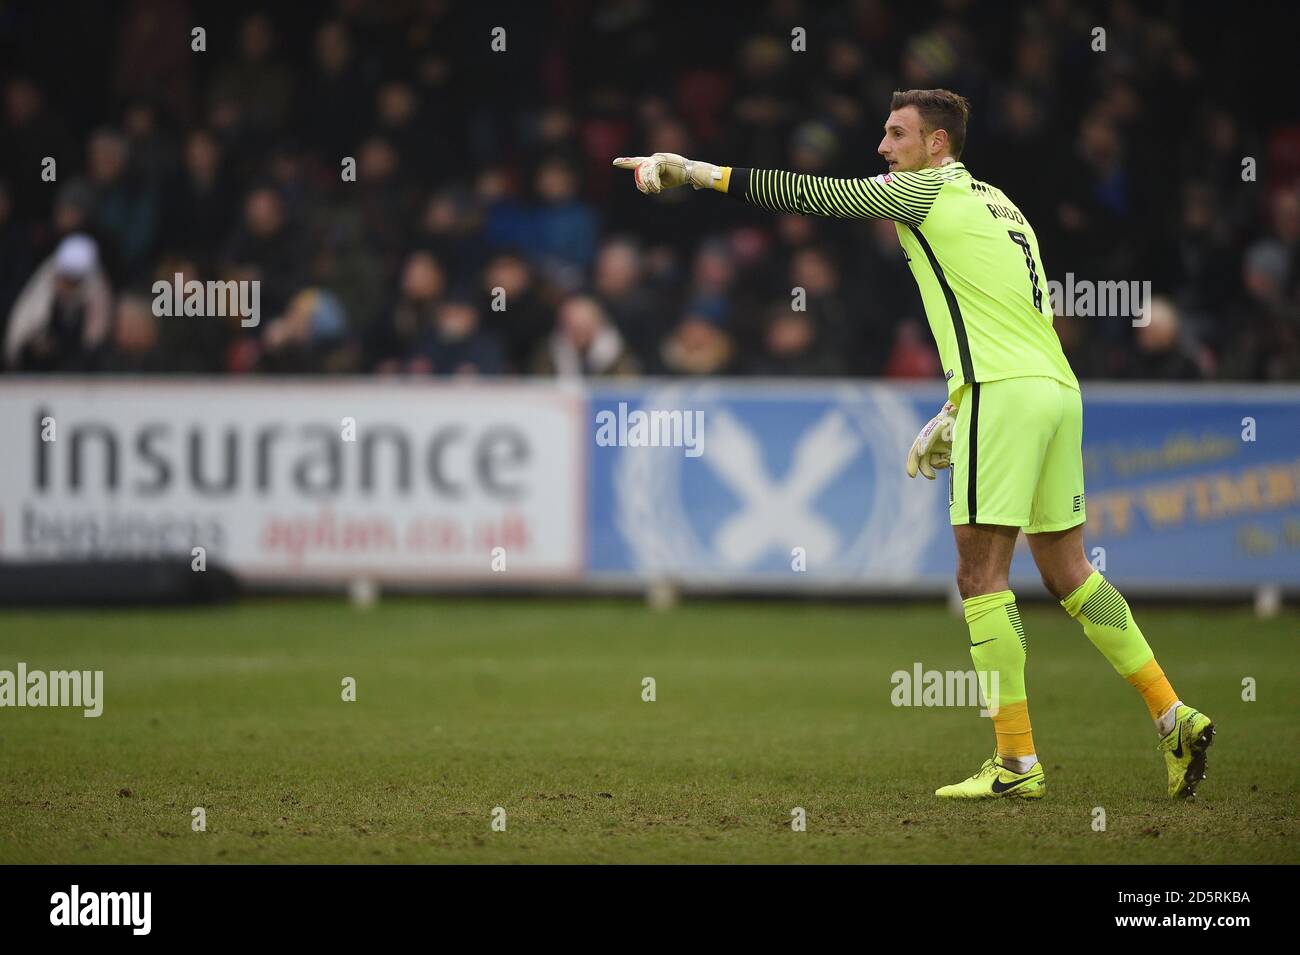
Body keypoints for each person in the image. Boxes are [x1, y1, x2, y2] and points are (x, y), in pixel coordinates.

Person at [612, 88, 1214, 801]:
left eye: (896, 135)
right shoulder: (1002, 205)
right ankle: (1172, 714)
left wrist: (696, 171)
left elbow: (819, 195)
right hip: (1054, 389)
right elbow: (1015, 311)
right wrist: (958, 404)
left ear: (936, 146)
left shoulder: (923, 192)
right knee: (1069, 571)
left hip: (1004, 393)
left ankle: (1017, 762)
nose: (882, 148)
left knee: (979, 576)